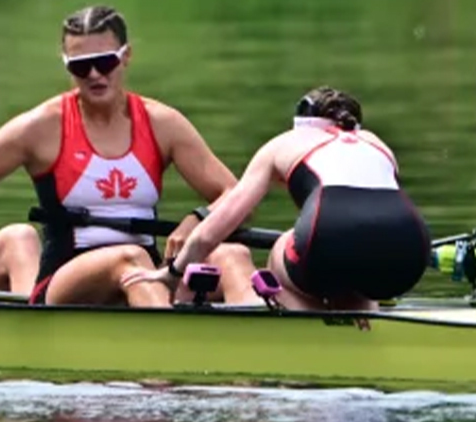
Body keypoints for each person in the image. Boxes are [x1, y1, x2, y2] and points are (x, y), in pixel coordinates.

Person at [0, 4, 259, 307]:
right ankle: (168, 359)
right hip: (63, 284)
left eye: (105, 62)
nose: (95, 75)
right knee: (130, 260)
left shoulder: (162, 124)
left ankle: (258, 352)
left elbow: (236, 195)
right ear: (67, 66)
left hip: (147, 274)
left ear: (126, 57)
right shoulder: (42, 127)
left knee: (232, 255)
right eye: (82, 67)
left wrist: (199, 219)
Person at [170, 87, 429, 310]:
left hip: (329, 243)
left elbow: (209, 234)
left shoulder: (286, 143)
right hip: (410, 250)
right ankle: (363, 317)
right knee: (354, 265)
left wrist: (171, 273)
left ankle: (306, 325)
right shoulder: (376, 144)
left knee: (284, 246)